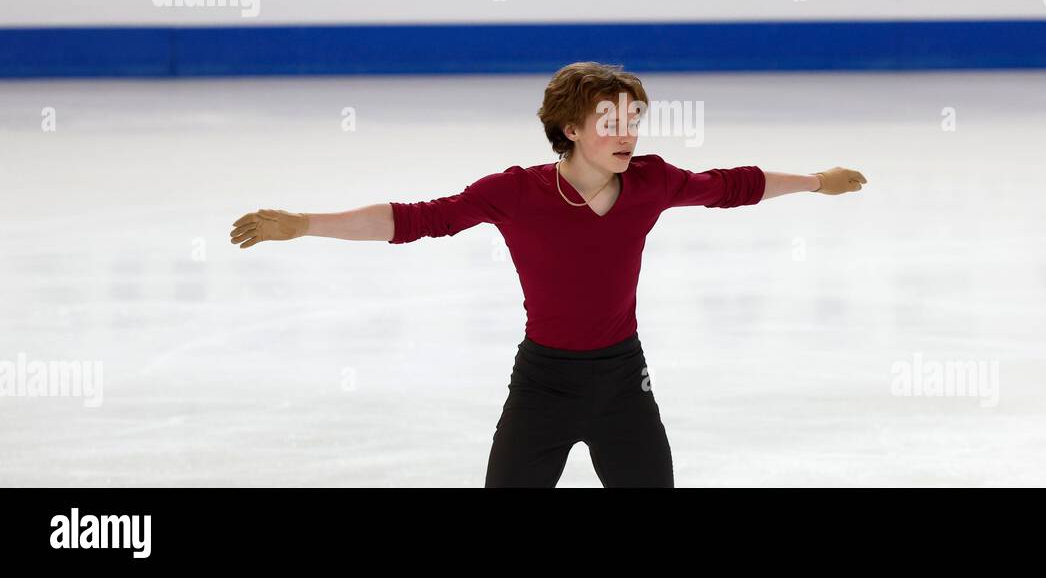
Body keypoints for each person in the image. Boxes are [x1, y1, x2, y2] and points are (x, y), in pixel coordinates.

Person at [230, 61, 866, 487]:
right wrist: (304, 222)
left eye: (634, 120)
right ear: (570, 129)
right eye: (611, 123)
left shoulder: (650, 183)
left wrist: (816, 182)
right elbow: (414, 219)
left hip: (623, 384)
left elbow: (733, 186)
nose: (628, 135)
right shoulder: (516, 193)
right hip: (542, 388)